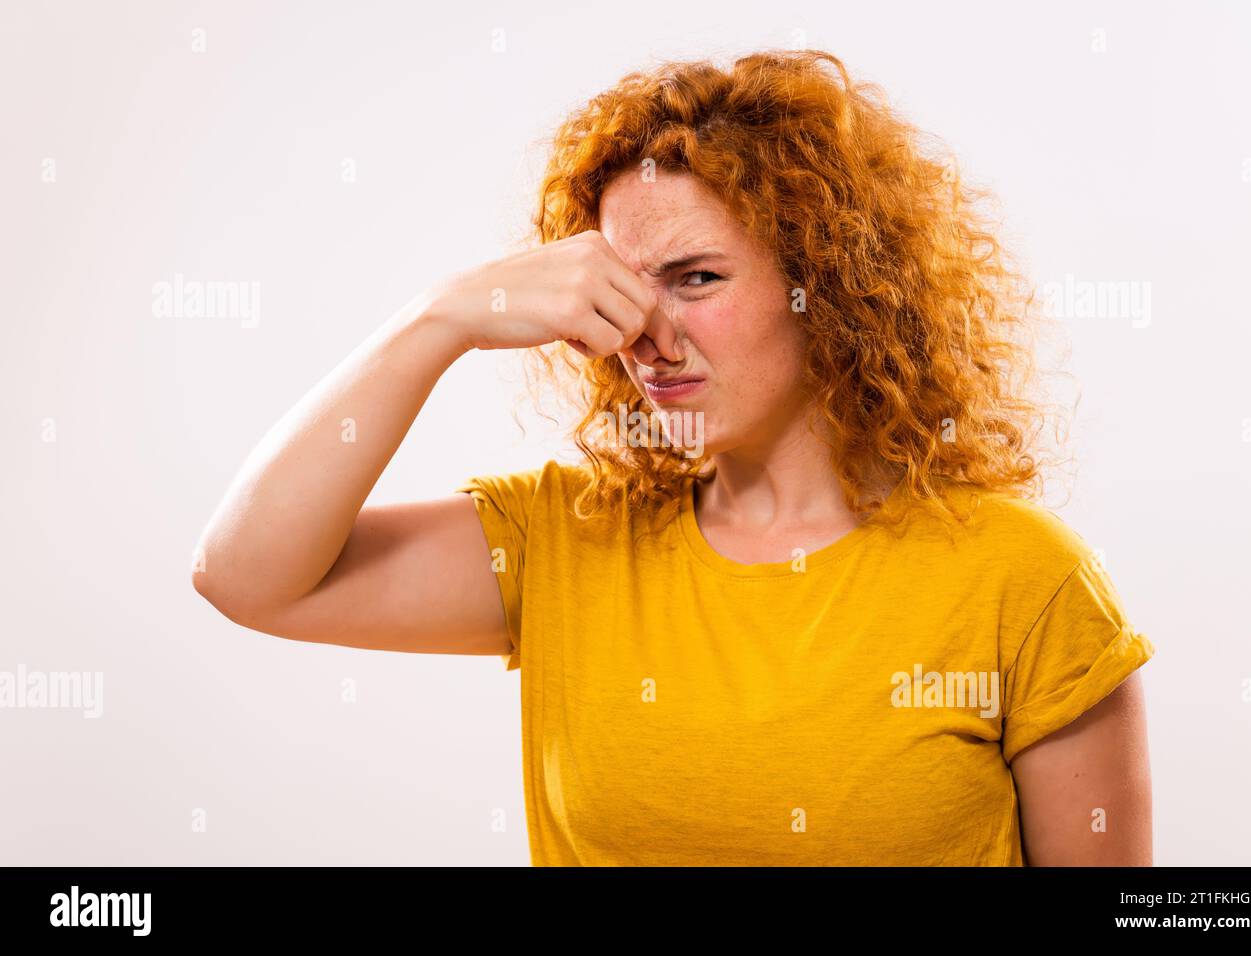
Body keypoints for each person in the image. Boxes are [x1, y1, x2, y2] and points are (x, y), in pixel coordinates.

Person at [193, 49, 1155, 866]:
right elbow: (245, 576)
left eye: (697, 279)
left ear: (830, 287)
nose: (647, 330)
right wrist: (443, 315)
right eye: (617, 286)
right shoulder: (566, 541)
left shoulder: (1023, 583)